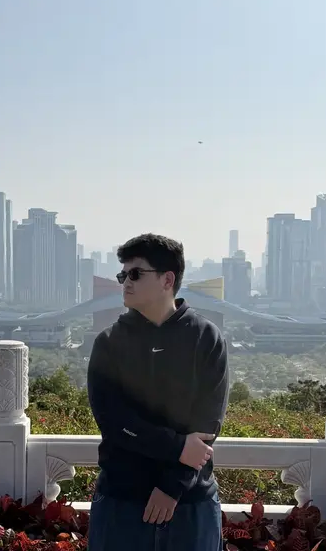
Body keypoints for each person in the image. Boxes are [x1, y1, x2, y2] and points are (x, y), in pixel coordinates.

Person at [87, 233, 229, 551]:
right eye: (123, 274)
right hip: (122, 502)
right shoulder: (109, 343)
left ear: (167, 279)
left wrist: (171, 487)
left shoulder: (206, 337)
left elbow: (207, 425)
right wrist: (178, 447)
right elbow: (114, 422)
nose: (126, 282)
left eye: (136, 273)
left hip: (191, 504)